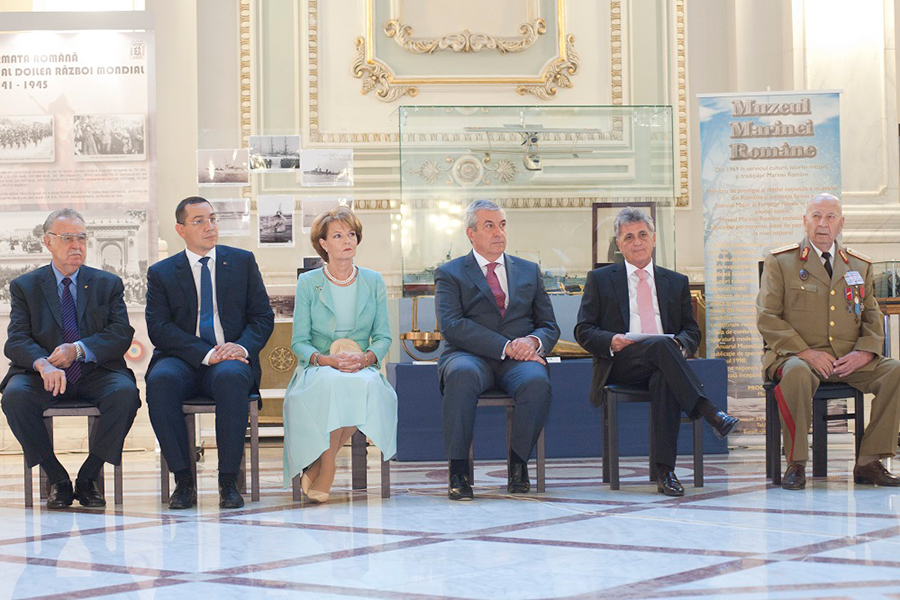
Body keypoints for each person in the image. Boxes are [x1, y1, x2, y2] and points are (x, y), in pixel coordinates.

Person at [575, 207, 739, 497]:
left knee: (664, 372)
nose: (636, 242)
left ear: (653, 239)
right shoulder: (600, 279)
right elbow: (584, 330)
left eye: (642, 235)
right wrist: (611, 339)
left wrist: (681, 344)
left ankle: (665, 472)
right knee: (663, 347)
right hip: (622, 363)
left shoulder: (675, 281)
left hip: (664, 362)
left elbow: (691, 330)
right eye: (628, 237)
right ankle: (708, 411)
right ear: (619, 244)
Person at [757, 193, 900, 490]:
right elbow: (767, 317)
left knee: (894, 371)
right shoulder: (781, 261)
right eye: (816, 216)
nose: (823, 224)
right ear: (805, 220)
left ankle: (868, 462)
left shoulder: (858, 266)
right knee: (795, 373)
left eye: (830, 217)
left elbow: (872, 316)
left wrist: (866, 352)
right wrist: (805, 352)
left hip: (848, 358)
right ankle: (796, 463)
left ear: (841, 223)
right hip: (796, 357)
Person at [0, 209, 140, 509]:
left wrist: (77, 350)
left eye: (82, 238)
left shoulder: (107, 284)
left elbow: (120, 334)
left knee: (125, 394)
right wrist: (43, 362)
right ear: (48, 242)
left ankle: (89, 475)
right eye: (67, 238)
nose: (77, 245)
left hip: (95, 371)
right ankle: (57, 476)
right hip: (42, 374)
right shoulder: (25, 286)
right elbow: (16, 340)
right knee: (14, 397)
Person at [146, 196, 274, 509]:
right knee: (160, 381)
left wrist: (240, 346)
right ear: (181, 229)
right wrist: (206, 353)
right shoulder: (162, 272)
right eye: (199, 221)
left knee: (232, 379)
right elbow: (159, 328)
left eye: (213, 219)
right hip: (183, 360)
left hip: (230, 359)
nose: (209, 226)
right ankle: (184, 481)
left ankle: (228, 482)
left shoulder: (242, 262)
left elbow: (262, 317)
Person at [435, 199, 560, 501]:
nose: (498, 233)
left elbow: (549, 325)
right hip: (469, 355)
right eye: (489, 226)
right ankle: (459, 471)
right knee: (461, 375)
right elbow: (452, 325)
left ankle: (518, 466)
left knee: (536, 382)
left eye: (502, 225)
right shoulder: (450, 273)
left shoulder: (529, 271)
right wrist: (505, 346)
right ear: (471, 233)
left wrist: (533, 342)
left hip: (519, 359)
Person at [283, 206, 397, 503]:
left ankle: (323, 461)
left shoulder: (373, 281)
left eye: (351, 234)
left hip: (361, 366)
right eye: (337, 235)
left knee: (368, 385)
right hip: (320, 365)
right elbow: (299, 342)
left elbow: (384, 337)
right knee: (332, 383)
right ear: (323, 244)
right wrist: (327, 360)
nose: (348, 241)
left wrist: (367, 359)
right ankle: (330, 463)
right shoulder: (309, 283)